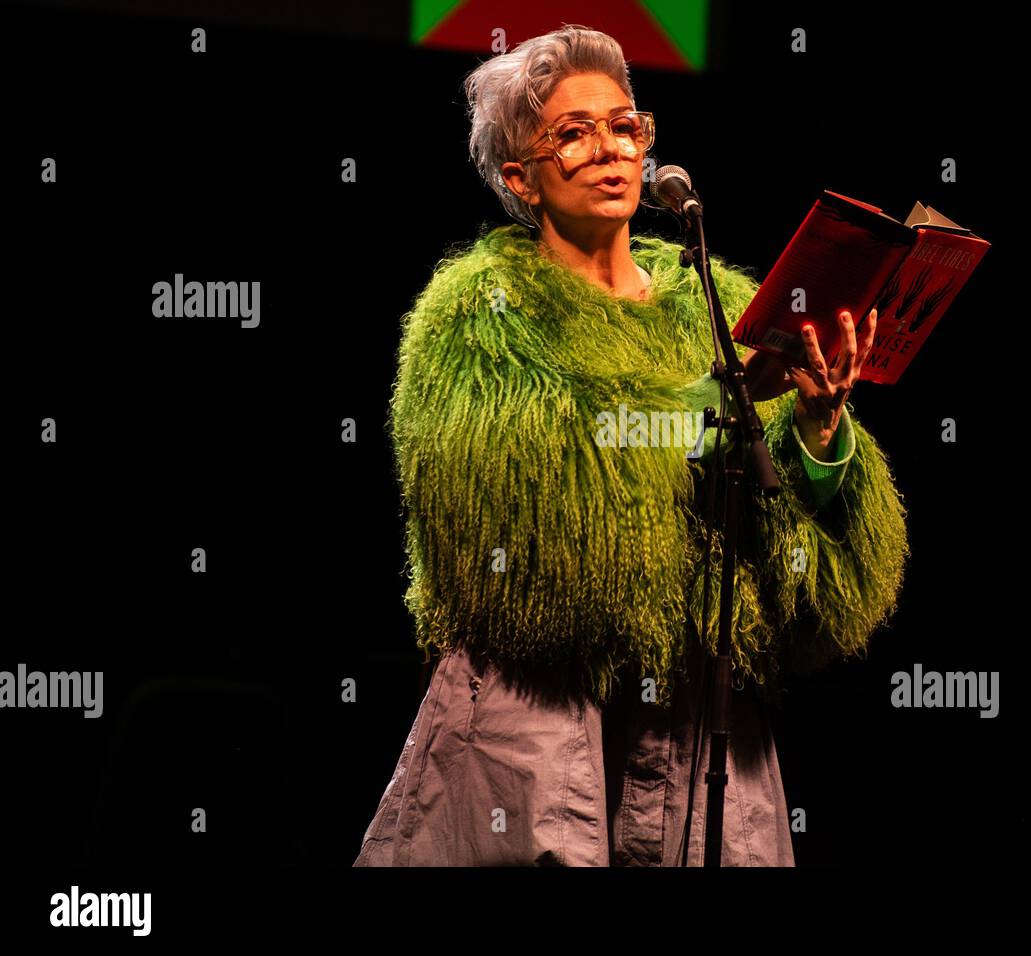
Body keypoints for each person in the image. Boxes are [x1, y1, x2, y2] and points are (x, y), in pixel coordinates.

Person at [352, 24, 909, 867]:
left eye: (625, 125)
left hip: (703, 734)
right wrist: (715, 404)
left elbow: (799, 550)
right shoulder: (477, 317)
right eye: (572, 134)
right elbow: (538, 506)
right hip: (535, 727)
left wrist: (819, 430)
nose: (612, 149)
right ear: (520, 179)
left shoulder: (716, 310)